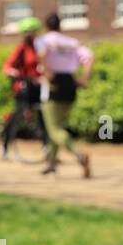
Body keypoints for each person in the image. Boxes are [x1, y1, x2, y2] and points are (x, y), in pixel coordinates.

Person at [34, 13, 93, 178]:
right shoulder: (71, 42)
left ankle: (79, 154)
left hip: (54, 84)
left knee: (53, 129)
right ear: (60, 26)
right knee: (57, 125)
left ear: (46, 25)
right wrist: (83, 78)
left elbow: (42, 55)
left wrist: (47, 73)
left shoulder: (43, 40)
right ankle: (51, 163)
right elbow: (89, 58)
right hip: (70, 83)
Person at [0, 16, 43, 159]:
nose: (31, 34)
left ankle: (47, 150)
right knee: (16, 117)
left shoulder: (40, 48)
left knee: (43, 117)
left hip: (38, 86)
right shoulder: (21, 49)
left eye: (33, 31)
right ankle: (5, 147)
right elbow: (7, 66)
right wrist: (13, 72)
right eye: (28, 31)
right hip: (23, 88)